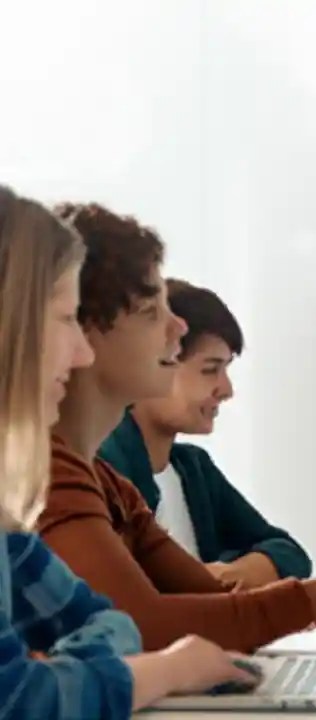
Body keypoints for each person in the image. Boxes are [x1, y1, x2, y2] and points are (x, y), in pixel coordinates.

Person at [37, 202, 316, 653]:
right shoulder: (47, 471)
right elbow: (143, 627)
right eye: (152, 310)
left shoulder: (104, 480)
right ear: (88, 330)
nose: (177, 327)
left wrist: (310, 603)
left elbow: (210, 604)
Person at [0, 185, 257, 717]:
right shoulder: (51, 476)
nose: (79, 353)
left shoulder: (13, 521)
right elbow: (19, 698)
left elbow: (110, 621)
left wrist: (77, 670)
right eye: (66, 319)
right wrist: (165, 669)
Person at [99, 279, 311, 589]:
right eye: (210, 369)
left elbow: (291, 553)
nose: (226, 390)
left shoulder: (193, 468)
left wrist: (234, 573)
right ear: (157, 363)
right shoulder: (104, 467)